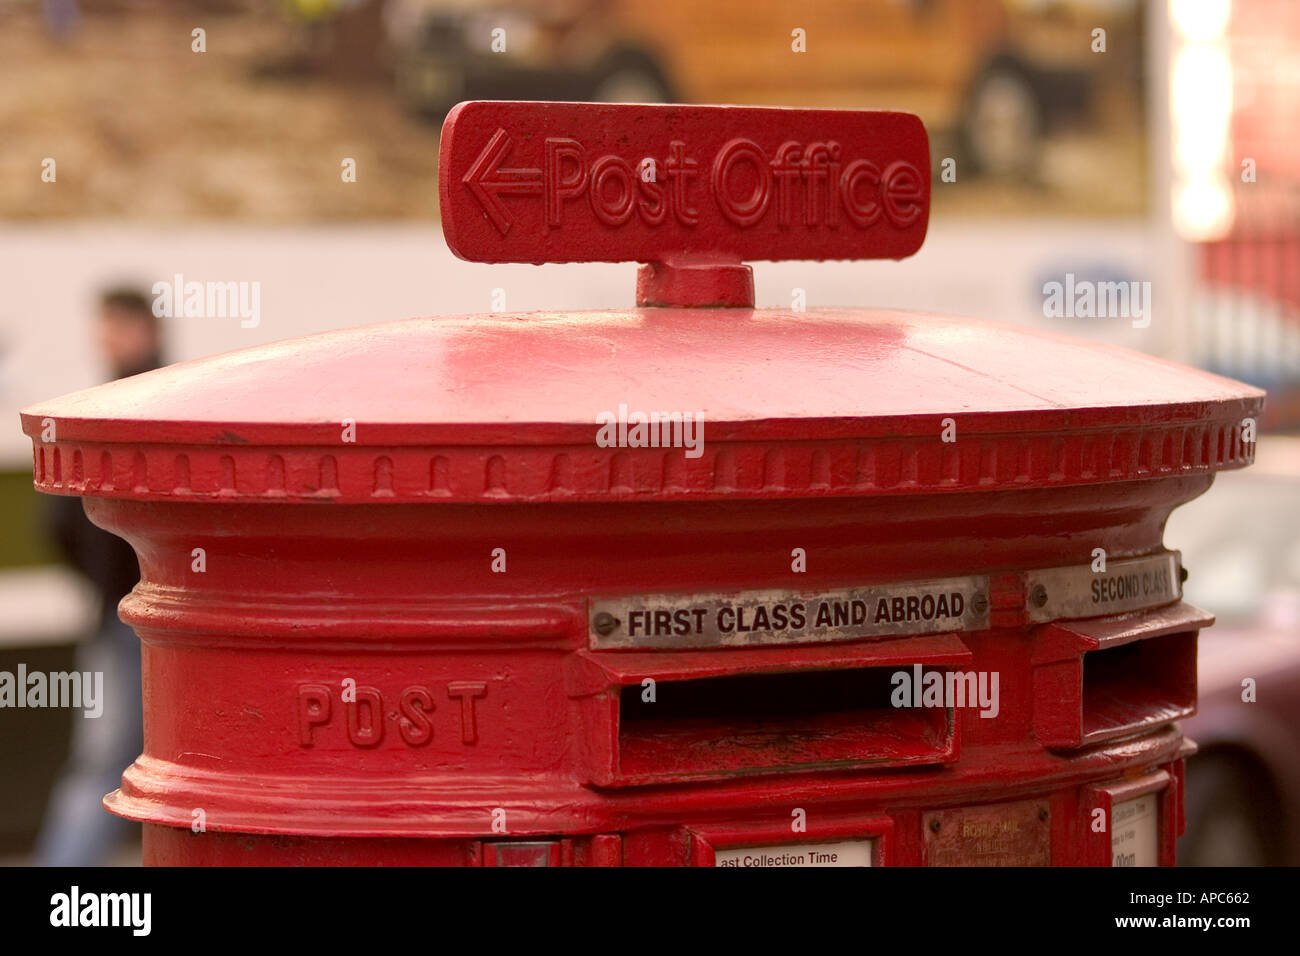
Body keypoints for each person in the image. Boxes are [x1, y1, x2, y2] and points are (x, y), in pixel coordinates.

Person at [33, 288, 163, 866]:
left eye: (118, 325)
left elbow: (58, 520)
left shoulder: (104, 407)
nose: (110, 337)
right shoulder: (160, 403)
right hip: (143, 611)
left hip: (117, 611)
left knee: (102, 761)